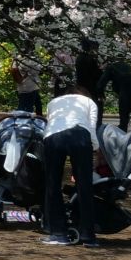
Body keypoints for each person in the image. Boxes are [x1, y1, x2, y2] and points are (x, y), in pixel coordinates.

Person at [39, 75, 102, 248]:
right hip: (79, 136)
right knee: (84, 186)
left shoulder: (54, 102)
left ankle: (58, 233)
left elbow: (51, 122)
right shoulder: (89, 102)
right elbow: (91, 128)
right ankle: (88, 235)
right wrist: (95, 149)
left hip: (53, 137)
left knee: (53, 185)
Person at [99, 58, 131, 137]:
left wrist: (100, 95)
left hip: (126, 88)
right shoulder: (127, 66)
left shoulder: (110, 68)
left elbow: (101, 83)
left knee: (124, 118)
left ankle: (122, 140)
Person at [12, 50, 43, 114]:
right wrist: (25, 75)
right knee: (26, 109)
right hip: (27, 88)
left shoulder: (29, 58)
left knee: (38, 106)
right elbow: (15, 72)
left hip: (33, 86)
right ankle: (23, 121)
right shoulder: (19, 60)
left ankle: (39, 121)